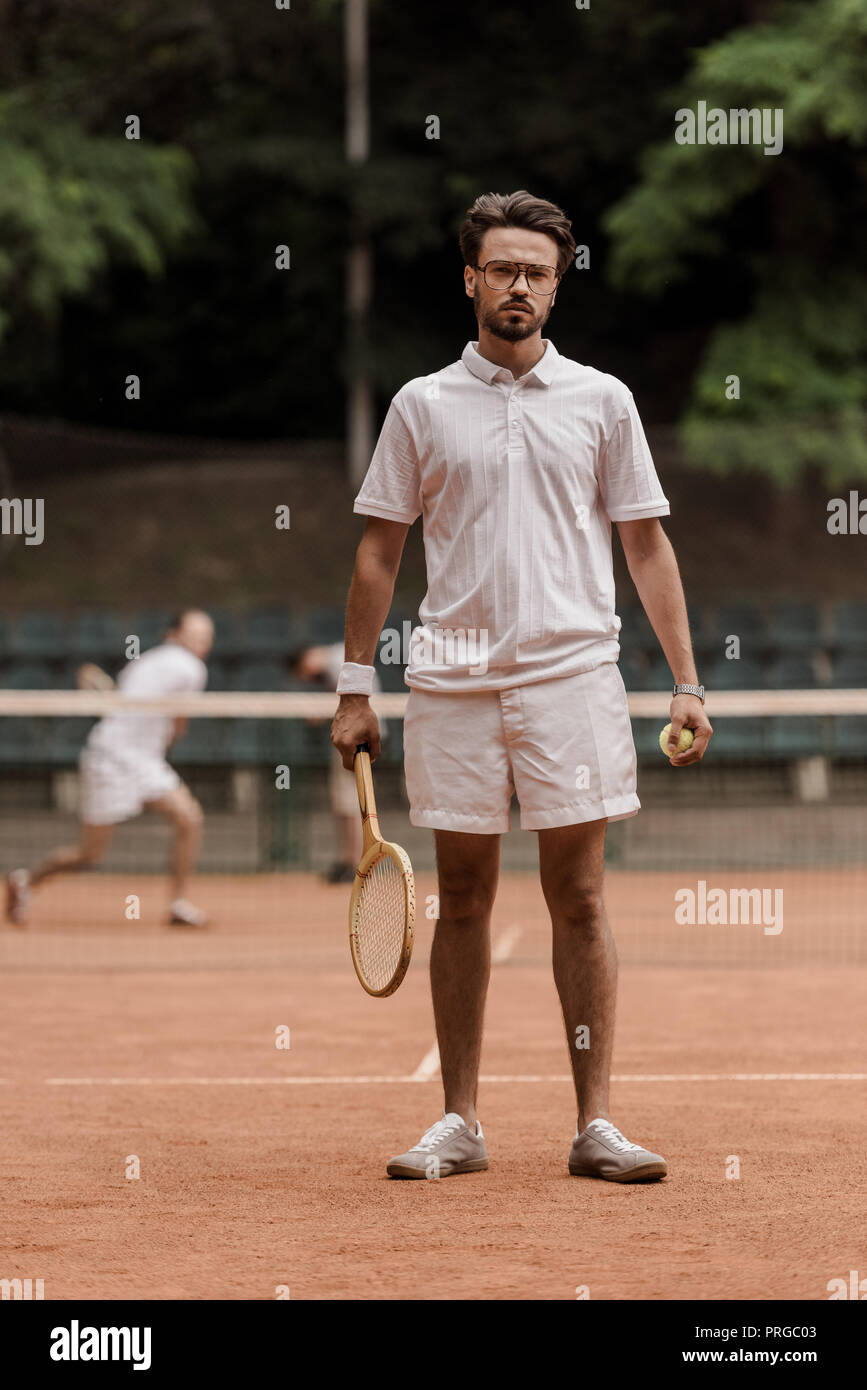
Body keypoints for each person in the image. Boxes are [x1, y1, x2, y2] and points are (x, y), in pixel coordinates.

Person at [331, 190, 713, 1182]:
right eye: (502, 268)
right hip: (451, 684)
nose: (519, 286)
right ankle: (459, 1121)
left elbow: (646, 542)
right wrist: (352, 685)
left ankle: (597, 1126)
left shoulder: (604, 400)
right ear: (471, 278)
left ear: (557, 283)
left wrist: (687, 681)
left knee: (579, 896)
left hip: (572, 679)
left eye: (537, 271)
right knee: (460, 897)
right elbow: (380, 553)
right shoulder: (421, 404)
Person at [4, 609, 214, 929]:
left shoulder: (142, 661)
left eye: (206, 638)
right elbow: (179, 721)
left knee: (189, 818)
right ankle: (26, 881)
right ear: (173, 635)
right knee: (89, 855)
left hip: (141, 760)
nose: (202, 644)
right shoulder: (191, 668)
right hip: (112, 759)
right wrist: (171, 736)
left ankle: (178, 904)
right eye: (195, 636)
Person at [289, 642, 386, 883]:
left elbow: (352, 703)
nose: (308, 676)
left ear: (306, 659)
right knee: (344, 801)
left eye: (304, 671)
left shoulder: (338, 661)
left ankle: (356, 863)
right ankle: (348, 860)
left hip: (358, 738)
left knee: (350, 801)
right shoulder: (339, 659)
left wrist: (320, 714)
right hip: (353, 736)